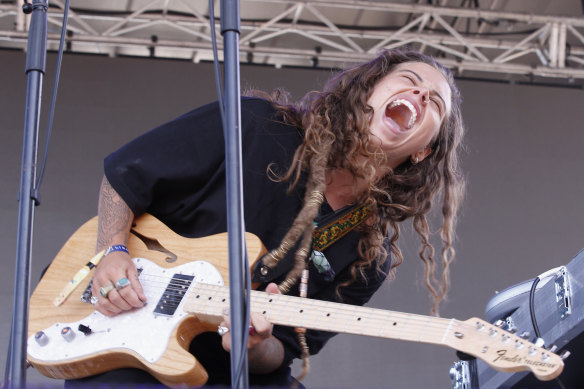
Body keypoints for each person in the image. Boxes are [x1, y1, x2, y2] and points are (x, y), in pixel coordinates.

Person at [71, 47, 465, 387]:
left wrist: (255, 344)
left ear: (423, 151)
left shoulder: (366, 259)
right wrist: (112, 251)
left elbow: (285, 352)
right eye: (410, 80)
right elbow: (127, 175)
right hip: (125, 339)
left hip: (220, 373)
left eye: (435, 102)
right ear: (369, 89)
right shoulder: (257, 125)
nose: (420, 93)